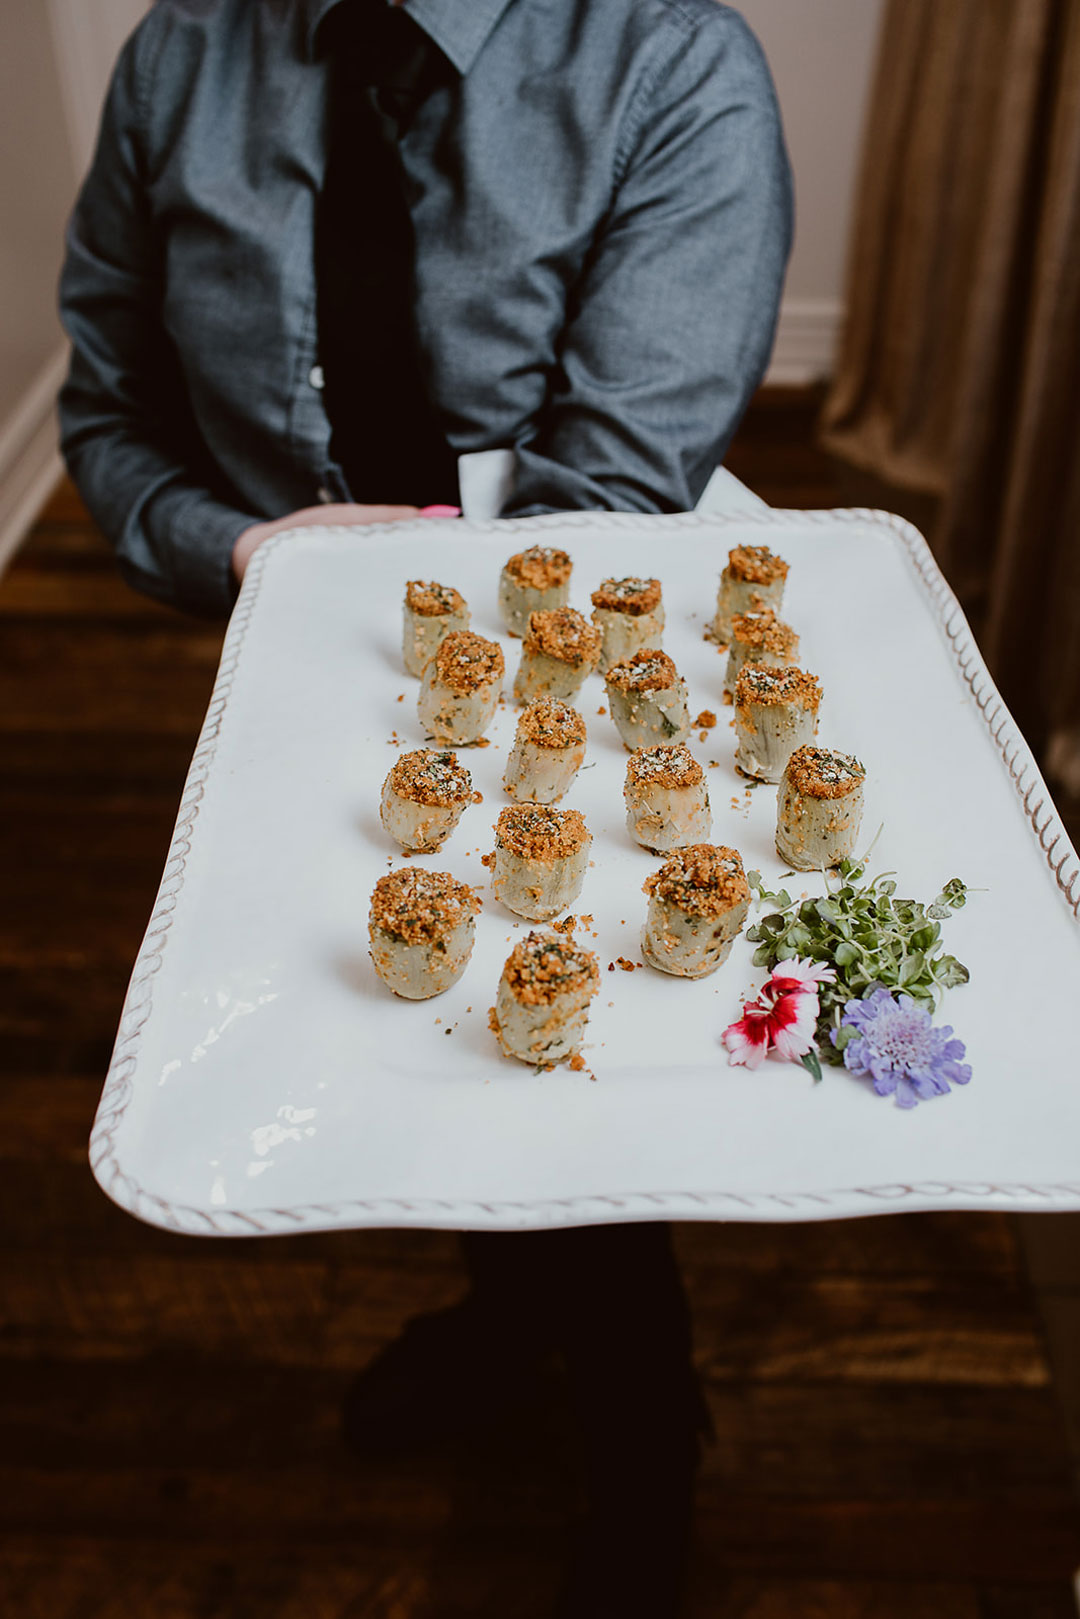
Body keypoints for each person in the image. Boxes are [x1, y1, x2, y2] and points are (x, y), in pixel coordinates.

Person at [59, 2, 792, 1612]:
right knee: (399, 1028)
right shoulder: (179, 54)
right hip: (294, 670)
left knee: (554, 1048)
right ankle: (508, 1314)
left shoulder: (670, 62)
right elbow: (107, 421)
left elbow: (612, 498)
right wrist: (235, 549)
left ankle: (637, 1411)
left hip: (565, 688)